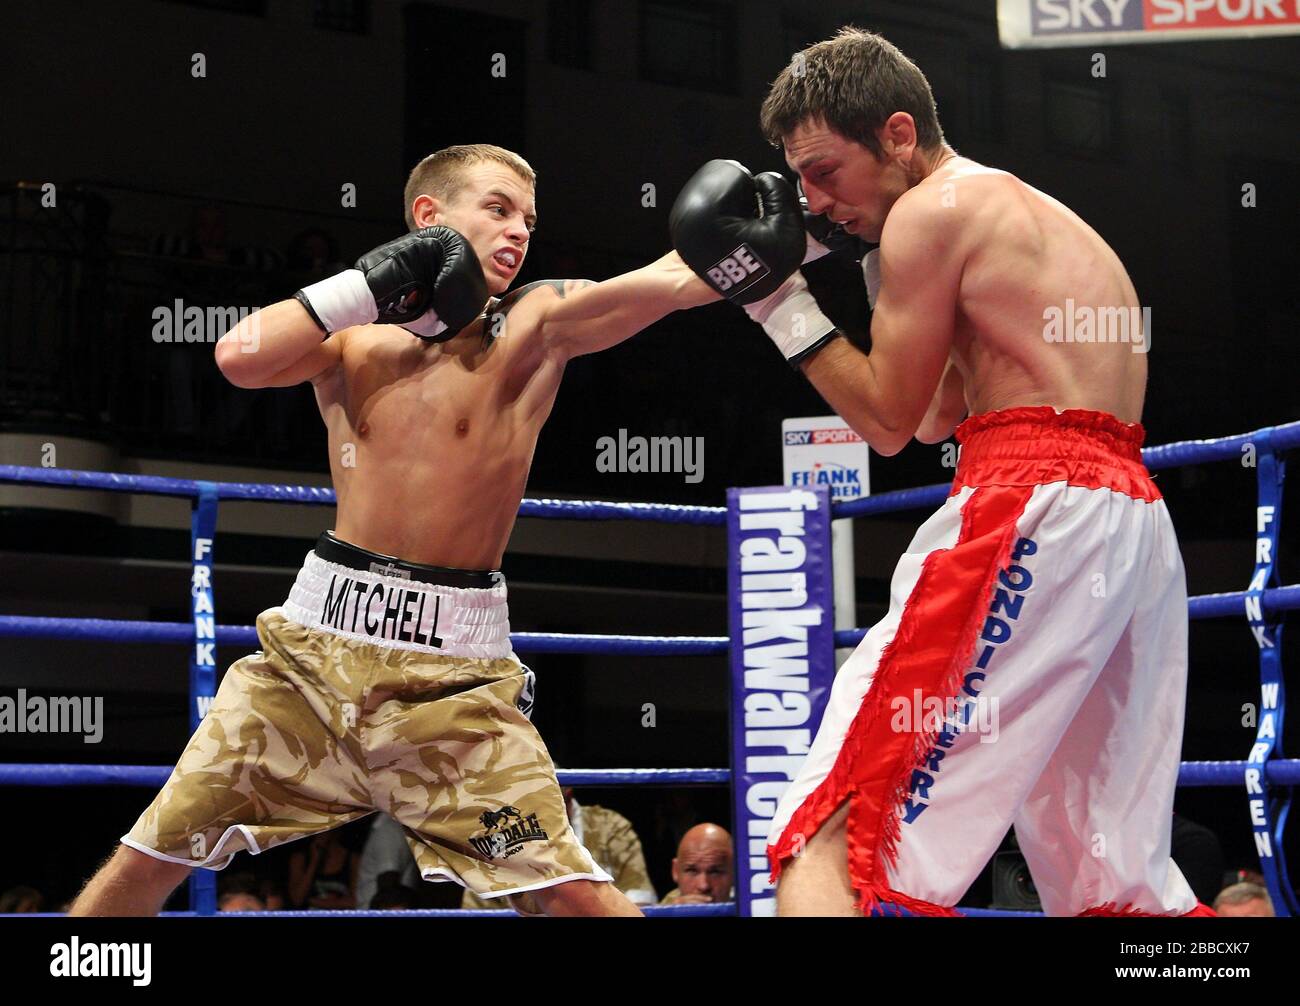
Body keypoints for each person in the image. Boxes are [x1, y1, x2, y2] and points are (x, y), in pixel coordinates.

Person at [69, 143, 717, 918]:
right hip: (309, 665)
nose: (519, 234)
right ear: (428, 218)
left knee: (570, 891)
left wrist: (804, 235)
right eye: (498, 208)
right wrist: (366, 285)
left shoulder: (534, 325)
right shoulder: (352, 339)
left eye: (529, 221)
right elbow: (237, 356)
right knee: (148, 859)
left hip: (455, 689)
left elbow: (670, 283)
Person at [671, 28, 1213, 918]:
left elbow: (885, 426)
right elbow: (933, 416)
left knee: (835, 826)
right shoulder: (1015, 212)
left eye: (823, 172)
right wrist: (868, 267)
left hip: (1029, 505)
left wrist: (775, 301)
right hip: (1130, 521)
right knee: (1112, 877)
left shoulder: (927, 216)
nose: (811, 201)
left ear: (895, 133)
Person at [461, 789, 658, 910]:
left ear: (566, 796)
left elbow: (640, 902)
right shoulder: (498, 839)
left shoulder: (610, 828)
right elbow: (475, 909)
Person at [659, 823, 734, 906]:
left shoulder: (748, 907)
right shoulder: (664, 909)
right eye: (692, 871)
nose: (703, 886)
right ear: (675, 871)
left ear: (735, 872)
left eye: (715, 872)